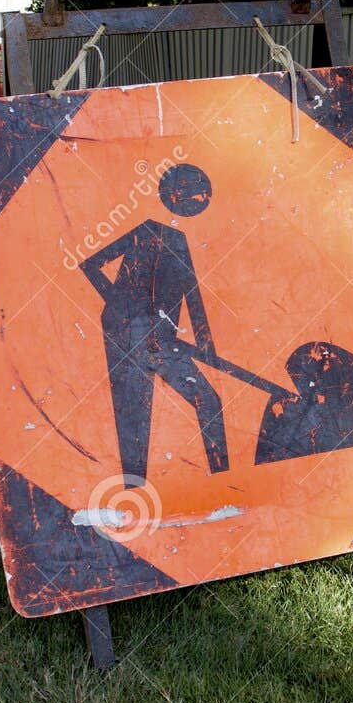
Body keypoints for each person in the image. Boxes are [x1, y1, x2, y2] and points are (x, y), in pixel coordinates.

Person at [80, 163, 228, 485]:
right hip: (125, 333)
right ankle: (133, 494)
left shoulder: (178, 239)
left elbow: (193, 297)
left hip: (160, 339)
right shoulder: (144, 230)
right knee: (134, 415)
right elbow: (90, 265)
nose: (197, 198)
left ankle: (224, 482)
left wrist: (206, 347)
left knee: (210, 402)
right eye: (191, 191)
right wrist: (121, 307)